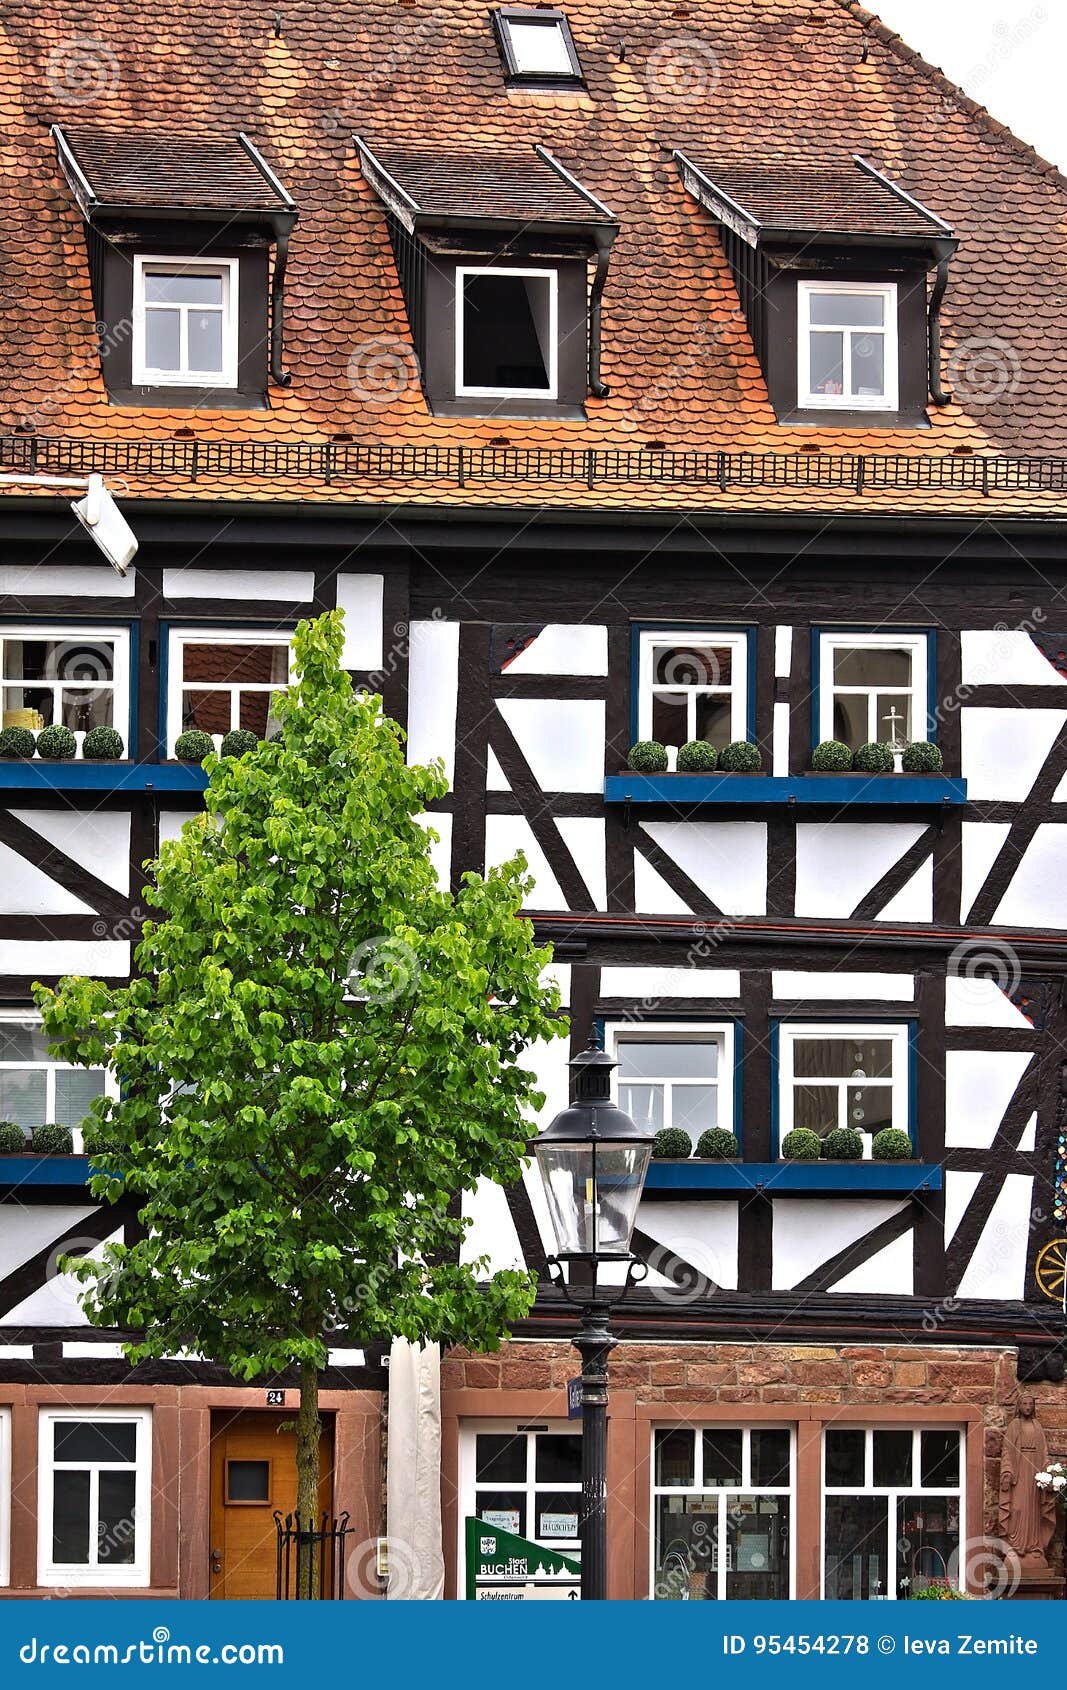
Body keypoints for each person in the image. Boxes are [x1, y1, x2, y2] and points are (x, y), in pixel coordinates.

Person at [998, 1393, 1058, 1572]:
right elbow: (1007, 1451)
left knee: (1034, 1510)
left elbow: (1044, 1453)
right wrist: (1007, 1472)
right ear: (1019, 1406)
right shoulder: (1014, 1426)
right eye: (1024, 1404)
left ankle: (1034, 1547)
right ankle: (1015, 1547)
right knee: (1017, 1509)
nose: (1027, 1407)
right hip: (1019, 1473)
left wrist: (1048, 1473)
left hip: (1034, 1472)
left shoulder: (1037, 1426)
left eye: (1030, 1404)